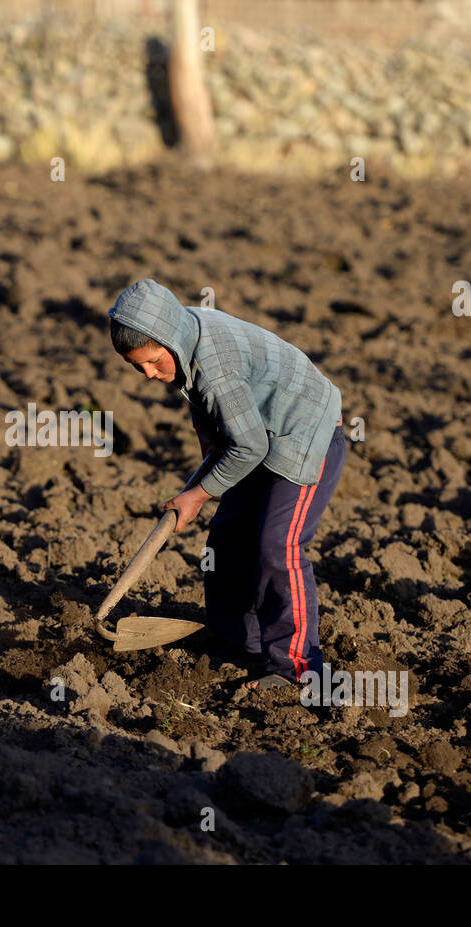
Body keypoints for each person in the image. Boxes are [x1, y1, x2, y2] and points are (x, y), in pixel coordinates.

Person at [108, 278, 345, 690]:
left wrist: (198, 494)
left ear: (168, 339)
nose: (148, 374)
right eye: (137, 366)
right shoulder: (184, 337)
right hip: (259, 432)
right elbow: (228, 434)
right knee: (228, 536)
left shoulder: (213, 363)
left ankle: (299, 671)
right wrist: (199, 485)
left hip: (306, 434)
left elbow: (248, 446)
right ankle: (240, 644)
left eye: (153, 361)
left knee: (277, 545)